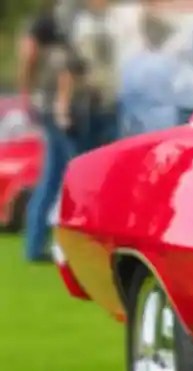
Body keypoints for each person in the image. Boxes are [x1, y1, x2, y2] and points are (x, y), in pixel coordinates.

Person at [16, 0, 82, 263]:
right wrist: (26, 92)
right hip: (57, 106)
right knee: (66, 175)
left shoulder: (51, 21)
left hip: (51, 104)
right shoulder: (54, 23)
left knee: (52, 176)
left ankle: (35, 244)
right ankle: (50, 243)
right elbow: (30, 55)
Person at [70, 0, 122, 152]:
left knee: (113, 149)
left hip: (113, 98)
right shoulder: (83, 24)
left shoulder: (115, 20)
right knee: (89, 148)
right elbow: (76, 63)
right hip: (90, 99)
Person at [118, 13, 180, 136]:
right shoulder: (171, 63)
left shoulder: (133, 63)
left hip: (139, 124)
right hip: (166, 124)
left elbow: (125, 96)